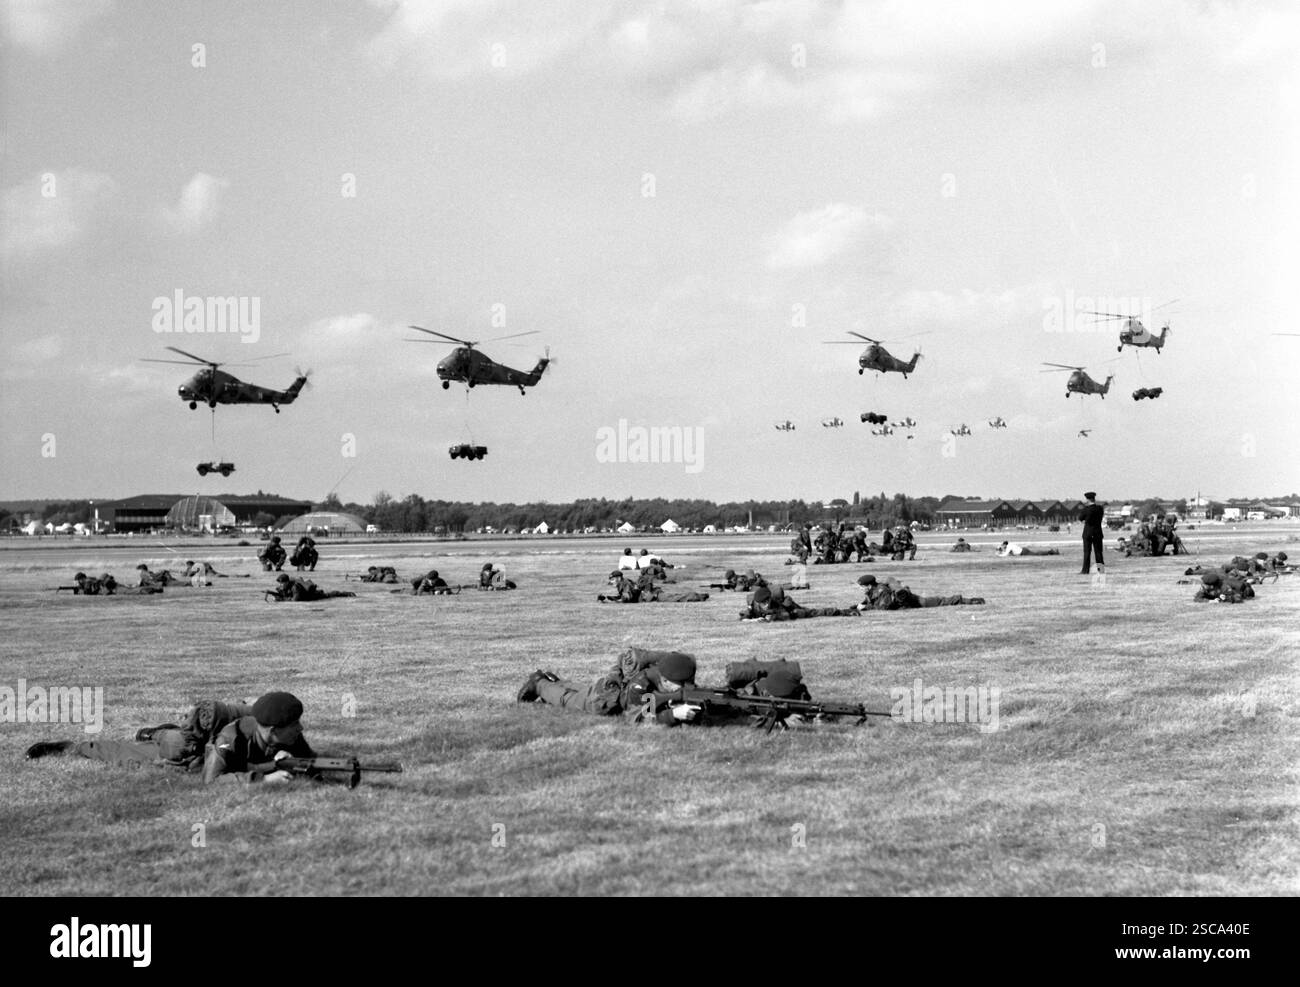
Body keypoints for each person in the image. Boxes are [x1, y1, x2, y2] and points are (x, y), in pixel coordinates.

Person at [25, 698, 254, 774]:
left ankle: (159, 733)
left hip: (211, 743)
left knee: (185, 761)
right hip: (203, 733)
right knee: (178, 749)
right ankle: (75, 748)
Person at [202, 691, 320, 784]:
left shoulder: (291, 735)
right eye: (294, 725)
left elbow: (310, 761)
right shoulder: (230, 739)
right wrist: (263, 779)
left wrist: (290, 761)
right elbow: (212, 780)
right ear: (273, 731)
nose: (300, 728)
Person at [855, 574, 984, 609]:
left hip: (914, 602)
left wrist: (866, 608)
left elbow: (885, 607)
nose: (861, 589)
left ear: (869, 586)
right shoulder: (871, 592)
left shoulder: (882, 590)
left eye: (862, 586)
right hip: (906, 603)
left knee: (940, 601)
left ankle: (967, 600)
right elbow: (868, 602)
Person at [739, 585, 857, 621]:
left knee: (812, 612)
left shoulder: (776, 603)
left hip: (790, 608)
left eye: (766, 602)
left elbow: (786, 615)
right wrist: (753, 620)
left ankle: (843, 612)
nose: (765, 605)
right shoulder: (753, 604)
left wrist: (773, 618)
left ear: (770, 599)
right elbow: (743, 617)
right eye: (762, 603)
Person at [265, 573, 356, 602]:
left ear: (287, 582)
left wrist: (281, 600)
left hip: (313, 596)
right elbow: (285, 595)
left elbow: (295, 600)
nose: (280, 585)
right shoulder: (285, 587)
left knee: (330, 595)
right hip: (308, 596)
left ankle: (346, 593)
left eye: (282, 583)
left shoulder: (295, 587)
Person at [1079, 491, 1105, 574]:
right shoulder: (1100, 509)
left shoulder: (1086, 509)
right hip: (1097, 532)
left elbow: (1080, 518)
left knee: (1087, 552)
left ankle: (1085, 570)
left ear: (1087, 500)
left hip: (1088, 532)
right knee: (1098, 552)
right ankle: (1101, 570)